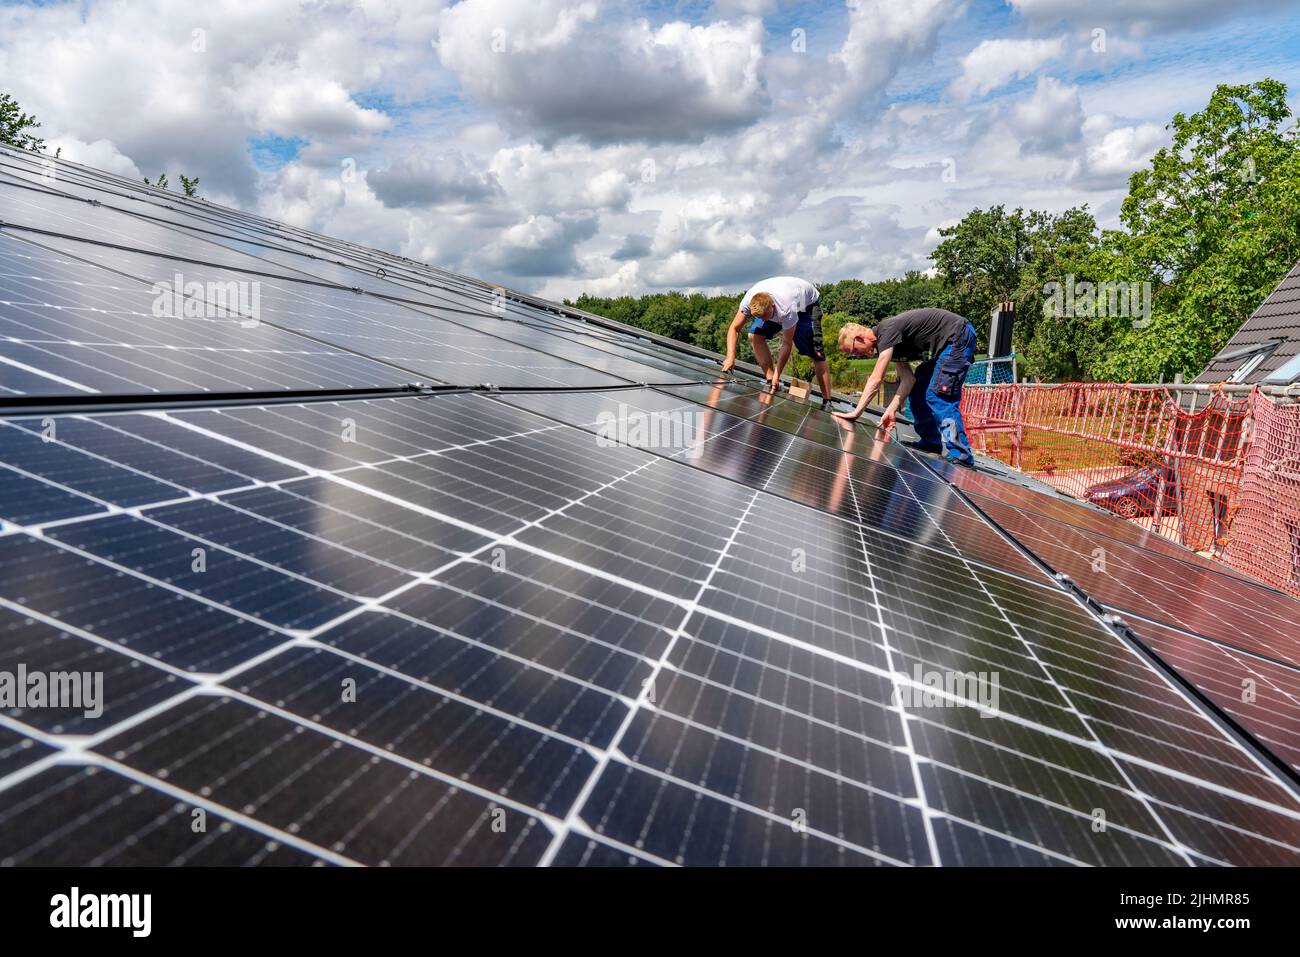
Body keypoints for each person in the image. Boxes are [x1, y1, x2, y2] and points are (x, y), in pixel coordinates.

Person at [832, 308, 977, 467]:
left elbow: (876, 378)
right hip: (948, 346)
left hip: (958, 336)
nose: (857, 356)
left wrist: (856, 412)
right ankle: (930, 442)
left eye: (854, 351)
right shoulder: (889, 343)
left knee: (938, 395)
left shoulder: (887, 331)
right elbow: (908, 379)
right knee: (918, 391)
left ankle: (961, 454)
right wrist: (891, 410)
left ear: (859, 338)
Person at [719, 276, 833, 408]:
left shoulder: (786, 309)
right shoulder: (748, 302)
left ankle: (827, 401)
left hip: (806, 304)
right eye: (758, 317)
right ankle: (770, 379)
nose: (762, 321)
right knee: (755, 335)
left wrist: (778, 374)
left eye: (764, 317)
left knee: (816, 352)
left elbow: (786, 343)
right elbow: (734, 328)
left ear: (772, 307)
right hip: (787, 295)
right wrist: (730, 357)